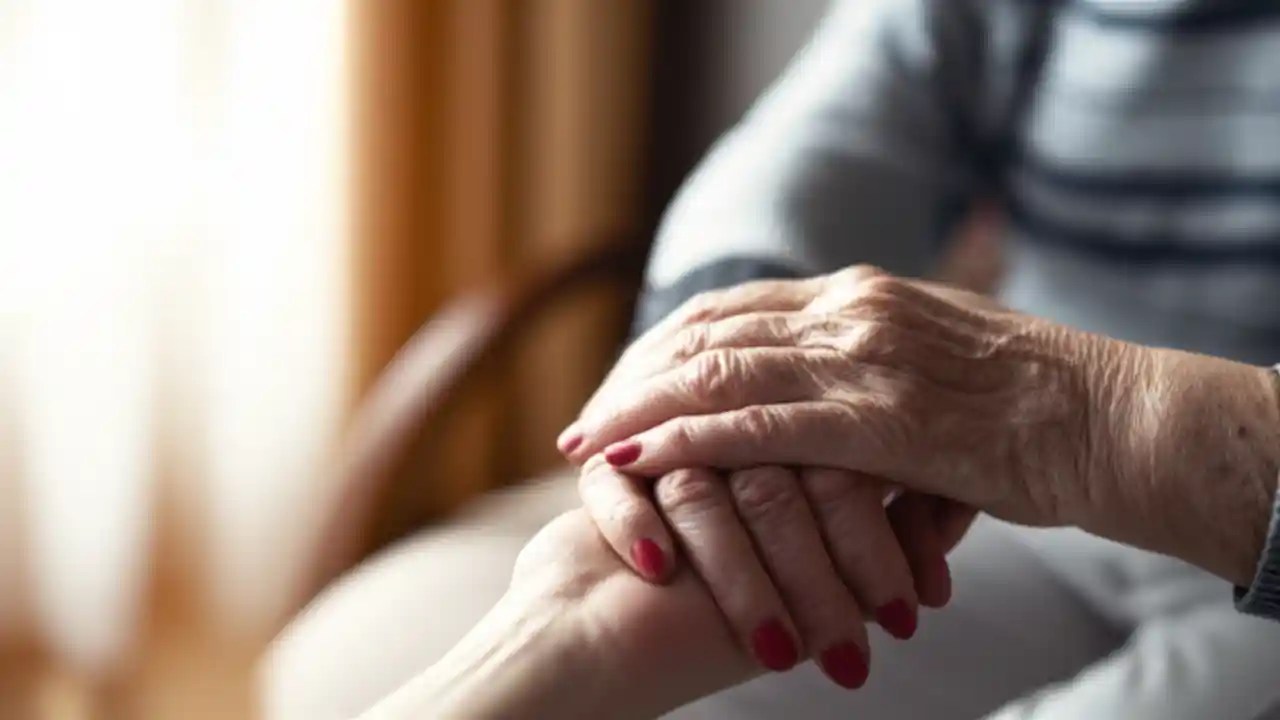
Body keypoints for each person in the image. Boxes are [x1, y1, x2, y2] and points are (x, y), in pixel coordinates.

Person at [264, 0, 1280, 717]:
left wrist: (1095, 418)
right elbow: (846, 122)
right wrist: (743, 370)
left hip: (1236, 520)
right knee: (373, 654)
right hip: (1012, 505)